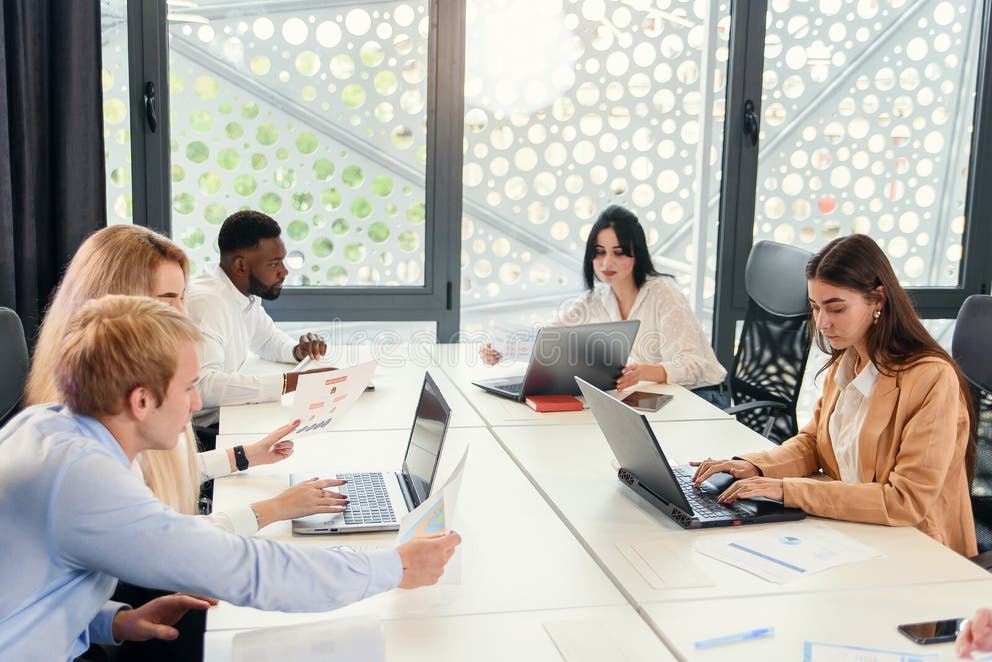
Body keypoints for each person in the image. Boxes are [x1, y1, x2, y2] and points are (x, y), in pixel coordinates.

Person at [0, 295, 461, 661]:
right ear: (141, 402)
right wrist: (394, 567)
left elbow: (28, 589)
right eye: (188, 387)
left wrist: (108, 620)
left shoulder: (47, 427)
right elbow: (250, 570)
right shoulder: (84, 481)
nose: (197, 405)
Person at [24, 224, 331, 533]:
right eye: (168, 299)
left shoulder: (111, 387)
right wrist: (276, 508)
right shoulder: (84, 432)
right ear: (117, 301)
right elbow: (167, 541)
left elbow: (153, 474)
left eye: (183, 297)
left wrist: (244, 455)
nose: (184, 315)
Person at [692, 234, 977, 557]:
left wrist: (787, 491)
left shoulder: (931, 378)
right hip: (852, 533)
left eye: (836, 308)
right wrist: (753, 467)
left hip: (915, 548)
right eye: (815, 308)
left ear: (878, 300)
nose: (823, 323)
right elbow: (814, 444)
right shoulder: (847, 361)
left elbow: (905, 501)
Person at [482, 205, 727, 405]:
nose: (606, 262)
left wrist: (644, 371)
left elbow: (694, 365)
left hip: (700, 397)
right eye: (599, 252)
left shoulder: (663, 293)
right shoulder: (598, 298)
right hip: (655, 395)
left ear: (636, 255)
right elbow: (550, 337)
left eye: (618, 252)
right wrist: (504, 349)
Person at [187, 210, 333, 427]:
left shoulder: (242, 292)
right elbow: (202, 386)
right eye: (274, 263)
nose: (284, 271)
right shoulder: (208, 304)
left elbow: (266, 340)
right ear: (241, 266)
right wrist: (292, 383)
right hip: (200, 431)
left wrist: (297, 351)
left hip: (225, 417)